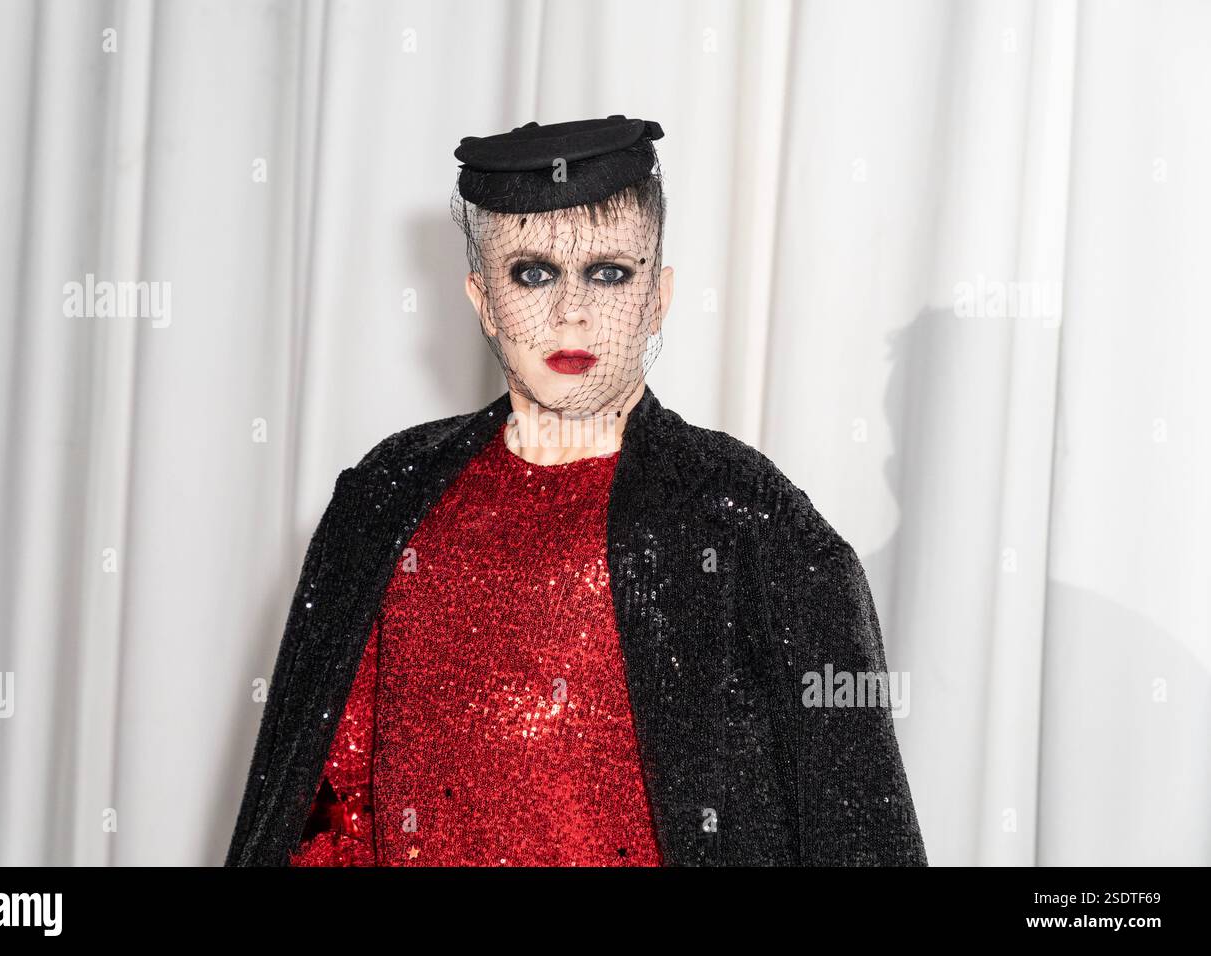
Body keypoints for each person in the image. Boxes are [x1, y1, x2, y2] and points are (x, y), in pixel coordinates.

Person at [226, 115, 927, 866]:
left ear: (658, 298)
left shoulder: (744, 515)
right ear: (483, 299)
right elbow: (322, 817)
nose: (572, 311)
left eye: (609, 272)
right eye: (533, 272)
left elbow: (858, 824)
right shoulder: (387, 498)